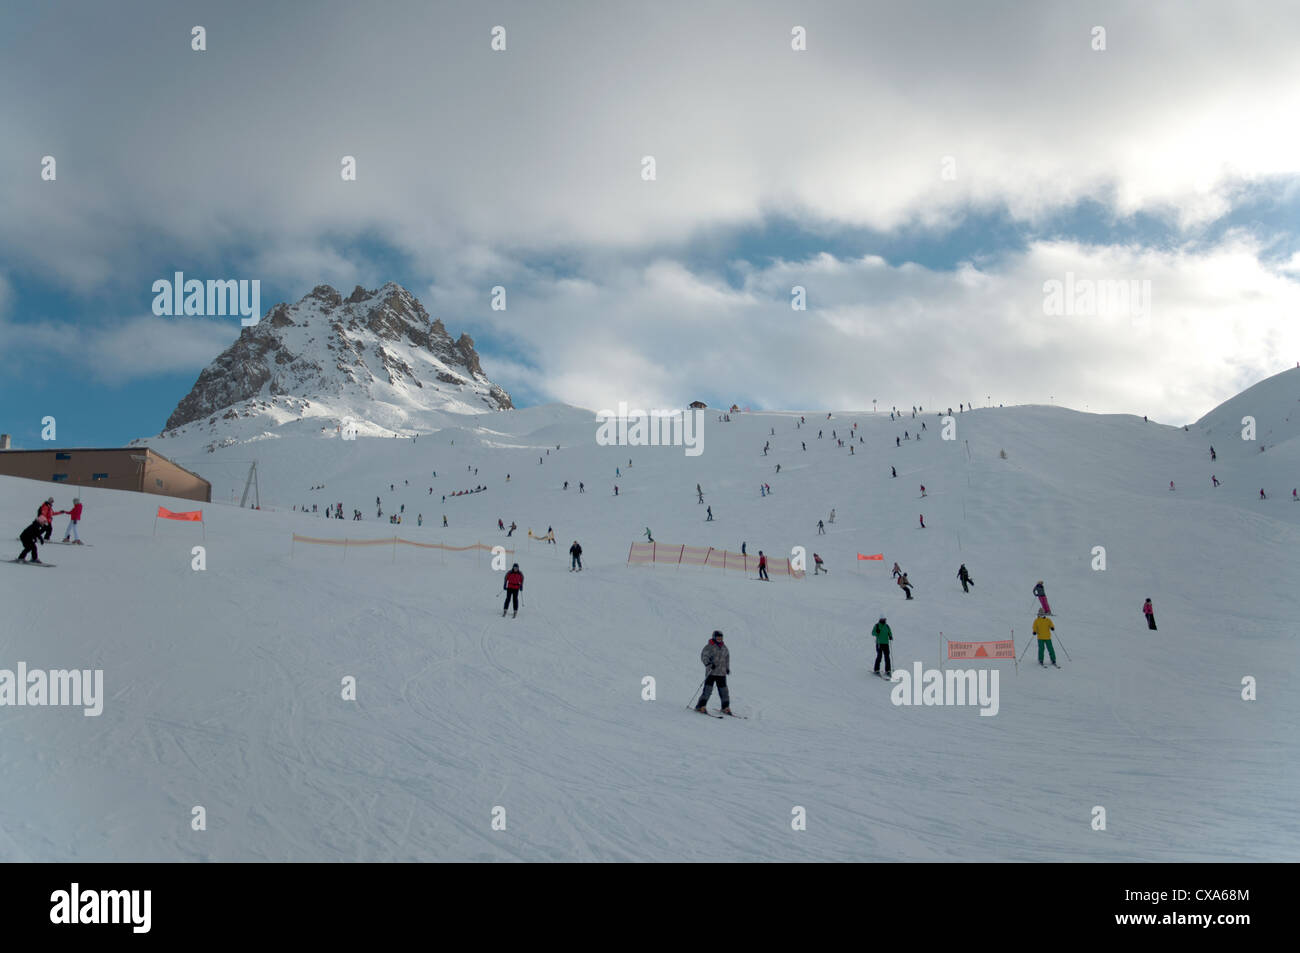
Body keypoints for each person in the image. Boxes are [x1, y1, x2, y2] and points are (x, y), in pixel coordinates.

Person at [694, 630, 731, 715]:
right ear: (714, 637)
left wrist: (727, 668)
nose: (719, 639)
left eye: (720, 637)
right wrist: (709, 664)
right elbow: (704, 656)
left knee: (724, 691)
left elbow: (727, 658)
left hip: (721, 673)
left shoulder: (724, 647)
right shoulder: (709, 646)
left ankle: (725, 707)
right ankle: (700, 706)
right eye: (717, 637)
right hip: (711, 672)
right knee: (708, 690)